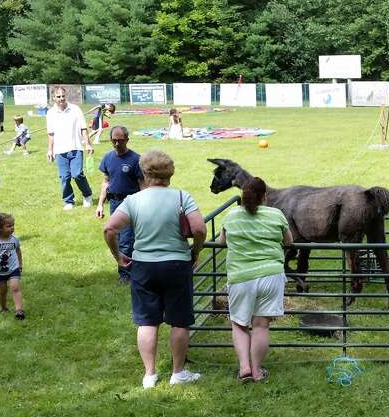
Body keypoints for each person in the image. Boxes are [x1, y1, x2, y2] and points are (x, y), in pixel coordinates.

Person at [102, 150, 206, 389]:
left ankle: (149, 375)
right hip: (177, 264)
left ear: (145, 173)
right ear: (170, 173)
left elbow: (109, 229)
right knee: (179, 321)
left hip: (144, 267)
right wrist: (195, 251)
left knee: (147, 322)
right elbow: (199, 229)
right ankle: (178, 373)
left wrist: (117, 255)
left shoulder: (133, 200)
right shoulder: (182, 197)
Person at [214, 176, 293, 383]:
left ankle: (244, 369)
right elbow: (289, 241)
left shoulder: (231, 217)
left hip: (240, 277)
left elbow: (221, 242)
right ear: (265, 196)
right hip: (271, 275)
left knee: (239, 324)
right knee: (260, 325)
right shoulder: (276, 215)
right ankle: (257, 371)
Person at [96, 126, 144, 285]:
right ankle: (130, 268)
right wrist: (100, 204)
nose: (116, 144)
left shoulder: (136, 159)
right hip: (114, 202)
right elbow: (105, 182)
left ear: (127, 140)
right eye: (113, 140)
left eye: (120, 141)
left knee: (126, 239)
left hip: (130, 202)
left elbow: (142, 185)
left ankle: (125, 274)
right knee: (115, 236)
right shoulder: (108, 158)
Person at [45, 87, 94, 210]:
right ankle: (68, 201)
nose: (61, 98)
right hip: (60, 151)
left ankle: (87, 195)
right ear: (54, 98)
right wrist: (50, 150)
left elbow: (83, 128)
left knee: (77, 174)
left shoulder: (75, 109)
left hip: (76, 147)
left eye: (63, 96)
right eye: (58, 96)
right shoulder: (50, 113)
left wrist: (87, 144)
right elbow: (51, 134)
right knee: (64, 177)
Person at [0, 213, 25, 320]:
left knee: (15, 288)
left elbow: (18, 251)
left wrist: (20, 264)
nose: (12, 228)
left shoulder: (14, 240)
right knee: (2, 292)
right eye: (8, 226)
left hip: (13, 269)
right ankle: (3, 307)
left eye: (13, 225)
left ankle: (19, 310)